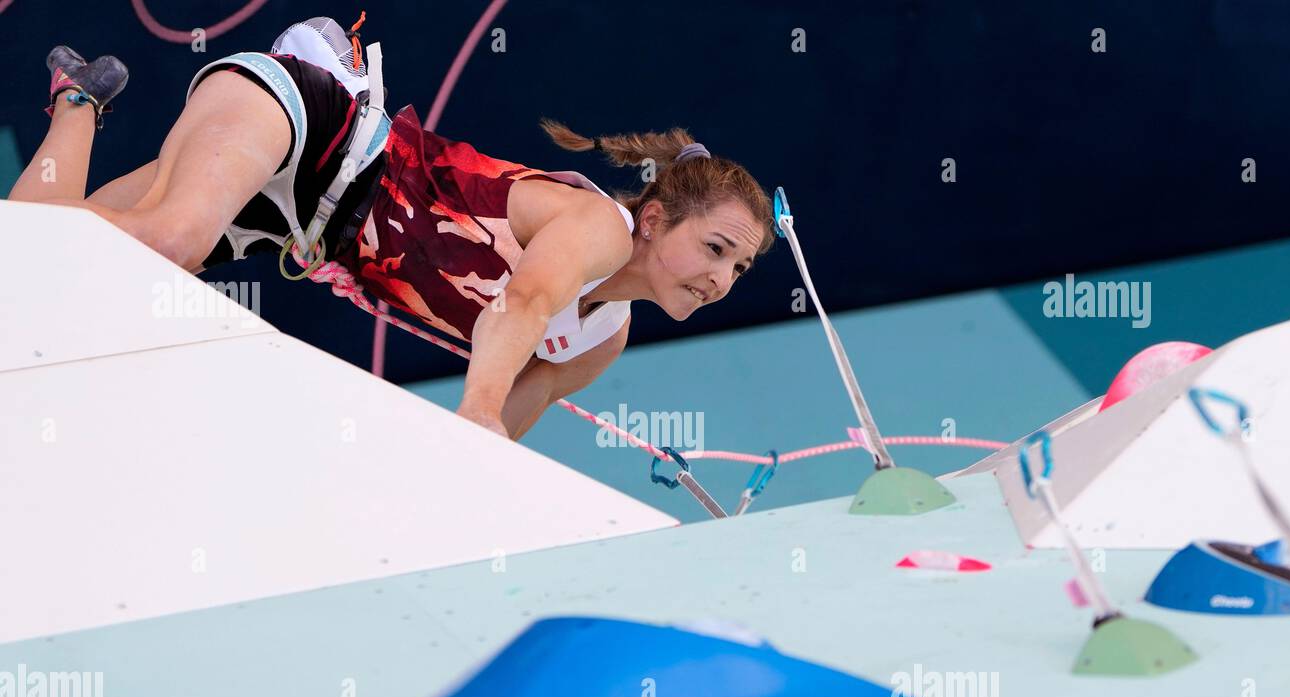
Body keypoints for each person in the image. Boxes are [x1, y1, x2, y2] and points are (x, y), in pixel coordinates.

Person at [8, 31, 774, 439]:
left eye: (739, 268)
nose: (722, 278)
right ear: (653, 219)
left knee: (57, 260)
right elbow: (525, 303)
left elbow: (496, 441)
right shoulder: (598, 229)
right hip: (316, 128)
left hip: (296, 223)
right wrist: (473, 409)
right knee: (161, 245)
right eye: (715, 248)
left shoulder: (601, 342)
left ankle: (77, 99)